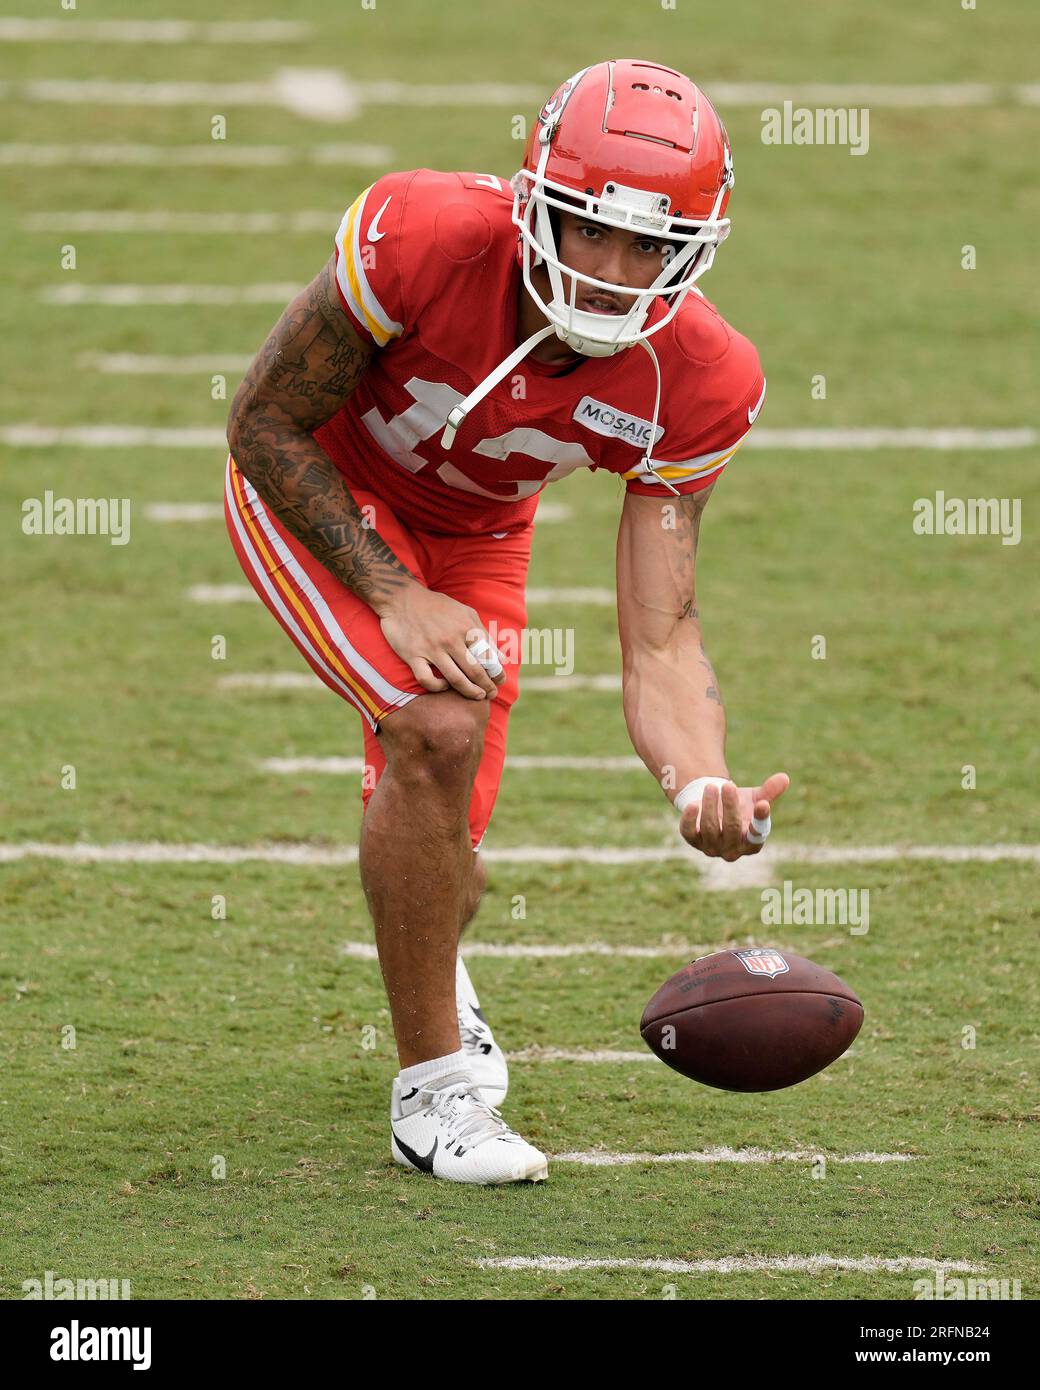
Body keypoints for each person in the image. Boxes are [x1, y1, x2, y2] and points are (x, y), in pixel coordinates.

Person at [225, 59, 789, 1186]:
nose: (612, 272)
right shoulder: (424, 233)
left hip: (481, 534)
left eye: (650, 247)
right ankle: (437, 1094)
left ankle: (435, 968)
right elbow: (263, 423)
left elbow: (662, 633)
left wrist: (699, 780)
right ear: (535, 200)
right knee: (433, 730)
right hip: (318, 486)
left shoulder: (699, 376)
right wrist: (390, 587)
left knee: (449, 856)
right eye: (589, 230)